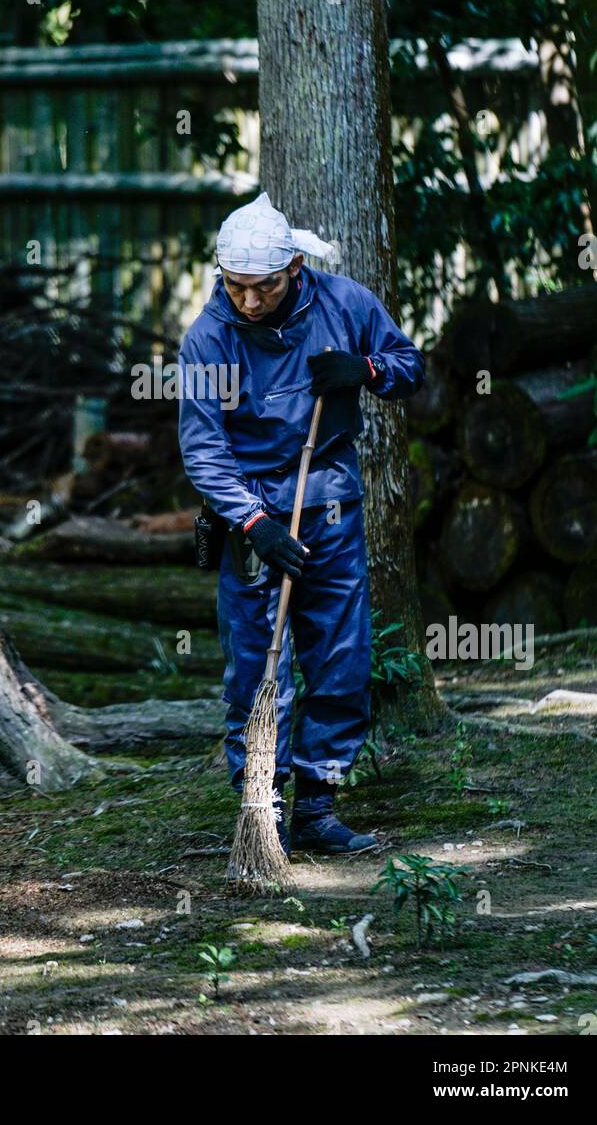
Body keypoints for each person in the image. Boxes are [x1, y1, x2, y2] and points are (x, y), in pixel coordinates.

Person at [178, 193, 425, 854]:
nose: (248, 303)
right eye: (235, 288)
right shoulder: (209, 338)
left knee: (342, 661)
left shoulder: (345, 305)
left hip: (331, 509)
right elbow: (203, 449)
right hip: (252, 522)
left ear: (294, 268)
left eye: (262, 288)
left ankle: (319, 807)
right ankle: (263, 807)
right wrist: (254, 522)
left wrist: (364, 369)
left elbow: (410, 368)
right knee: (258, 671)